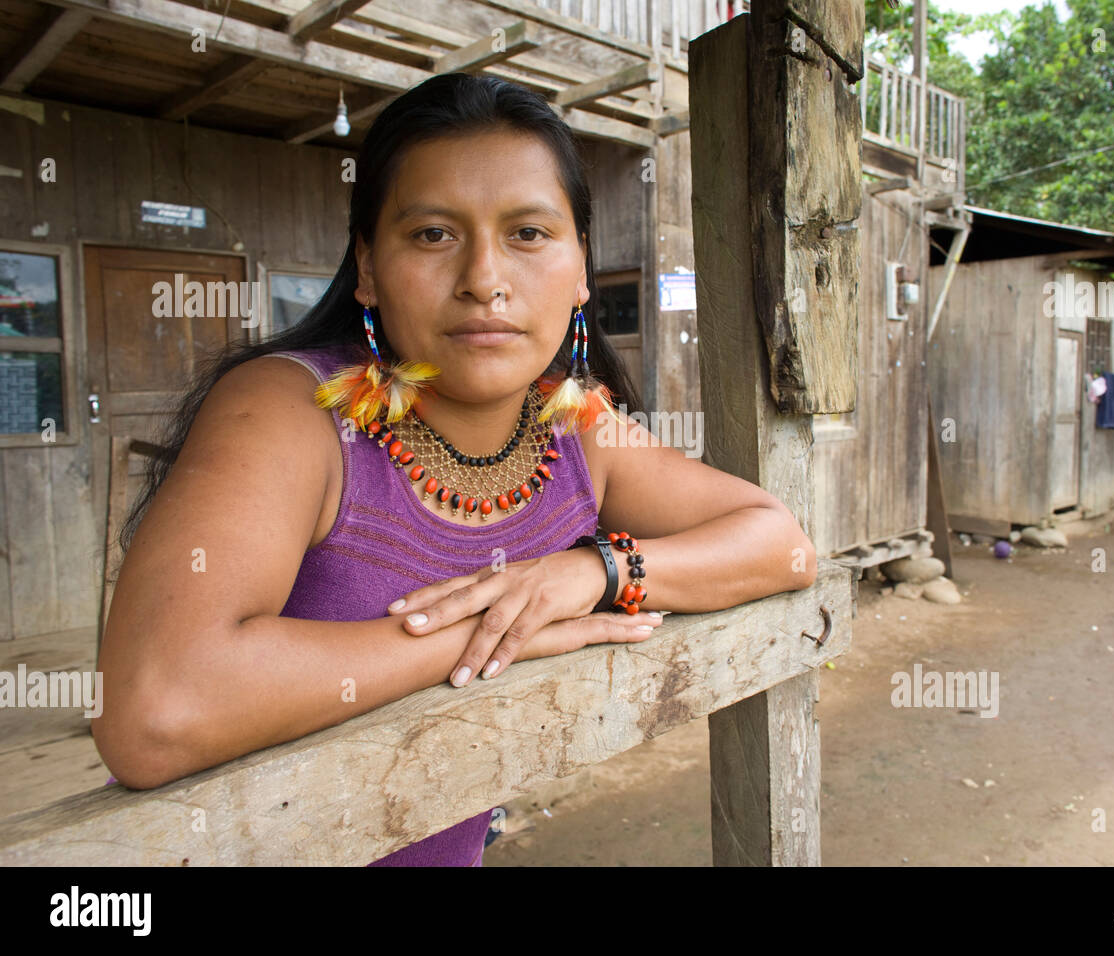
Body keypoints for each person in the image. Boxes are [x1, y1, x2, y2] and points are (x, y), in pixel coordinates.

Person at [91, 73, 818, 866]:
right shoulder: (292, 412)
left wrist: (592, 573)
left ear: (580, 272)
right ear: (367, 267)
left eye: (529, 234)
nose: (484, 279)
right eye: (434, 234)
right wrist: (488, 630)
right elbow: (153, 711)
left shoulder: (578, 428)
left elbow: (780, 545)